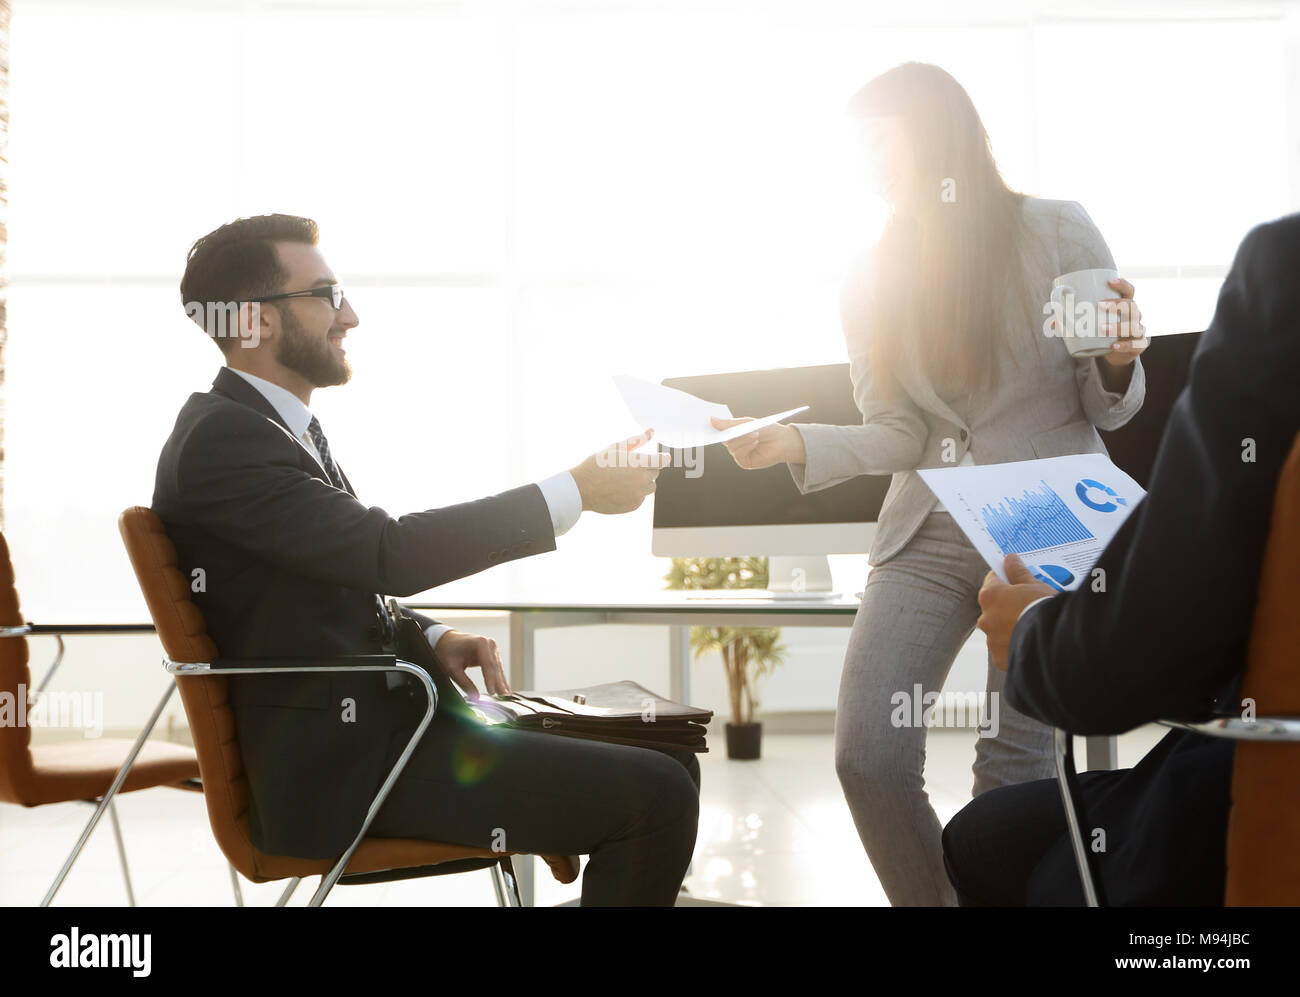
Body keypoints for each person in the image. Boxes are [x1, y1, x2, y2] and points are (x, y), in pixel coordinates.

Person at [154, 213, 700, 906]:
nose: (349, 313)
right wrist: (578, 491)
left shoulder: (262, 429)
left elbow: (339, 576)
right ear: (255, 321)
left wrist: (432, 635)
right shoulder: (225, 440)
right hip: (347, 773)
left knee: (669, 752)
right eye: (325, 293)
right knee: (657, 794)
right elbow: (390, 552)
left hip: (382, 740)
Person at [712, 63, 1148, 905]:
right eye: (858, 148)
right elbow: (899, 430)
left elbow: (1110, 402)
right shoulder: (869, 276)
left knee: (1010, 769)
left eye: (881, 139)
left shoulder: (1058, 230)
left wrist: (1119, 359)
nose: (870, 162)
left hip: (1042, 515)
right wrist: (796, 440)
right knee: (866, 753)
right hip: (928, 526)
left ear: (937, 130)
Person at [945, 212, 1300, 905]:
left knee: (986, 843)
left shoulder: (1284, 273)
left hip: (1257, 771)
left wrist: (1034, 640)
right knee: (993, 829)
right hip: (1232, 723)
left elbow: (1147, 655)